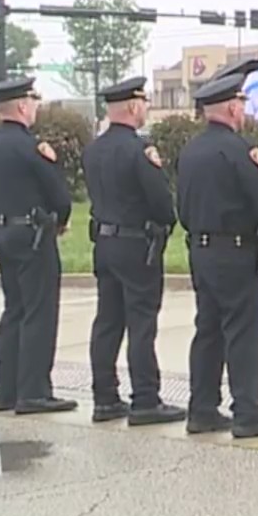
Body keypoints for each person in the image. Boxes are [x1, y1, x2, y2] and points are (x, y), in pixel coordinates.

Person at [177, 59, 258, 438]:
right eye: (241, 103)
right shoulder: (238, 150)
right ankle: (248, 412)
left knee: (207, 330)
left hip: (201, 250)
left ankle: (202, 408)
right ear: (230, 107)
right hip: (236, 252)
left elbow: (182, 207)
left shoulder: (191, 151)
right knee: (241, 332)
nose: (243, 110)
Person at [82, 76, 185, 425]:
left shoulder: (94, 149)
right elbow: (161, 203)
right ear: (133, 106)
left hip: (105, 242)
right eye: (143, 103)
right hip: (136, 245)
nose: (145, 109)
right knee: (141, 322)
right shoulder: (140, 150)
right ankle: (145, 398)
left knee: (108, 321)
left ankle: (104, 396)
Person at [0, 77, 74, 415]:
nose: (36, 106)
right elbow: (60, 196)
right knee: (39, 311)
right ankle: (33, 392)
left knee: (13, 310)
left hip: (0, 234)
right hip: (33, 236)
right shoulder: (30, 147)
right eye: (33, 100)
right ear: (22, 105)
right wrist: (60, 221)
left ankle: (7, 391)